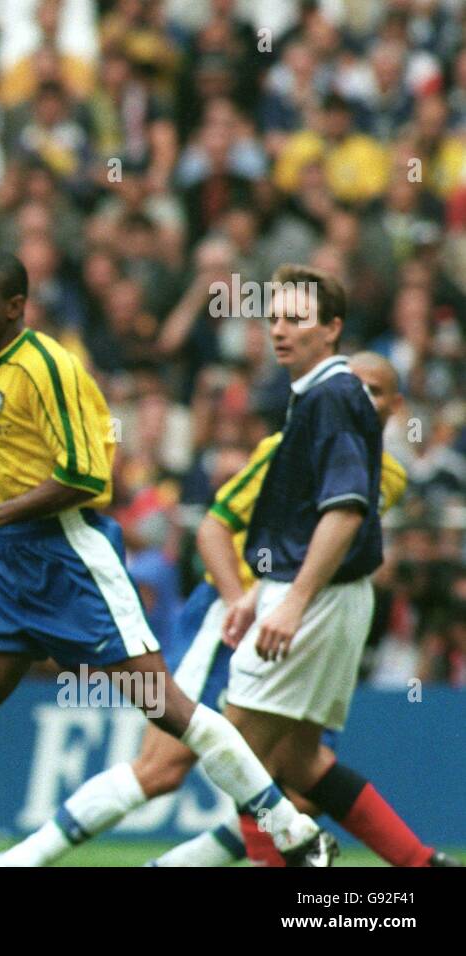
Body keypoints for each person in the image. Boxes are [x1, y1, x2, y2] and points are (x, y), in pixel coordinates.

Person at [0, 251, 336, 867]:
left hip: (71, 556)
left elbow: (87, 478)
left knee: (166, 708)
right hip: (13, 569)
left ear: (16, 307)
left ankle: (288, 827)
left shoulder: (50, 366)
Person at [0, 351, 457, 867]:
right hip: (238, 620)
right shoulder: (291, 448)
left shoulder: (386, 476)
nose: (362, 399)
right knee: (166, 766)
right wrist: (242, 601)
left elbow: (328, 551)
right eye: (354, 387)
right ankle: (20, 861)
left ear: (397, 404)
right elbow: (214, 526)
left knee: (299, 782)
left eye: (375, 390)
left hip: (311, 621)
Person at [219, 267, 398, 857]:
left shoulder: (333, 395)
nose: (279, 330)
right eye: (273, 317)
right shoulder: (315, 396)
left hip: (315, 597)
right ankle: (417, 861)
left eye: (296, 319)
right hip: (316, 593)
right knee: (295, 756)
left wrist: (291, 600)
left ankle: (302, 848)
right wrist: (258, 592)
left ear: (332, 329)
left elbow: (345, 510)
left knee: (233, 745)